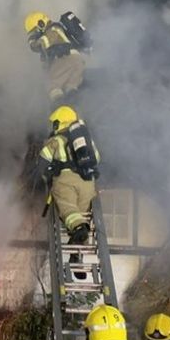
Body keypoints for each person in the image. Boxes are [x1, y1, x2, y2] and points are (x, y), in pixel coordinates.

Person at [38, 105, 100, 245]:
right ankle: (77, 253)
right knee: (78, 215)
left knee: (67, 207)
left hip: (66, 181)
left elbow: (42, 162)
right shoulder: (86, 141)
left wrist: (46, 174)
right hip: (88, 183)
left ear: (58, 123)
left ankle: (79, 228)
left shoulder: (56, 141)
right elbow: (97, 158)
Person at [25, 11, 89, 102]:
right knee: (70, 88)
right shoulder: (58, 30)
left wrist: (31, 41)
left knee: (52, 85)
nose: (35, 35)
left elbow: (38, 44)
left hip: (65, 59)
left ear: (41, 24)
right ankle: (73, 104)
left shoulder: (52, 30)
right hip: (76, 61)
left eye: (34, 31)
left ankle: (59, 105)